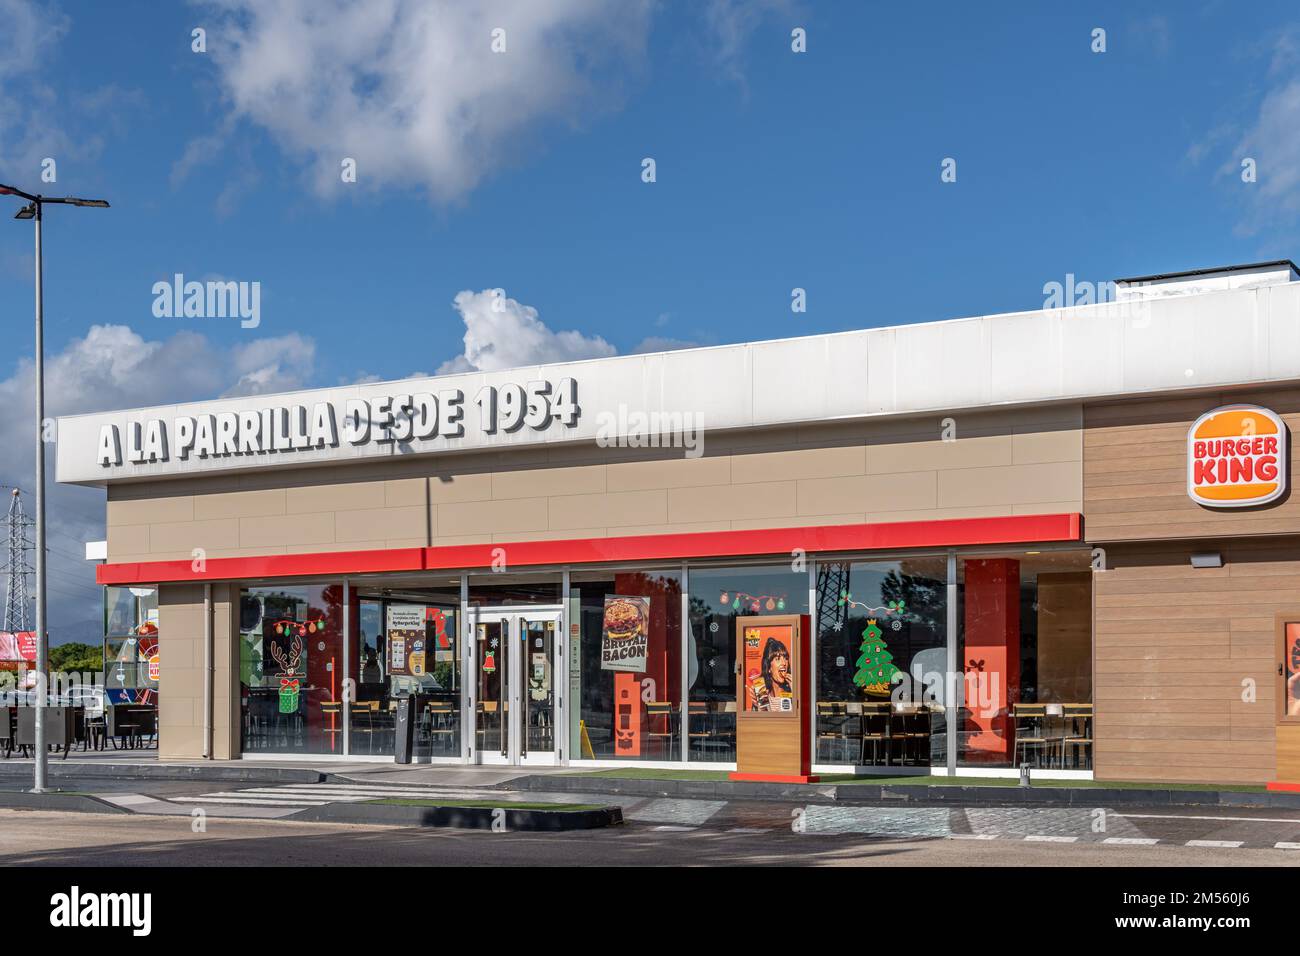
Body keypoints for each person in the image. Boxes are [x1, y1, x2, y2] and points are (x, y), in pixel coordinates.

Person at [752, 637, 793, 711]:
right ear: (769, 668)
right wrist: (757, 705)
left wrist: (796, 693)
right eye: (777, 659)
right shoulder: (762, 691)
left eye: (786, 658)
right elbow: (761, 720)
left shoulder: (791, 691)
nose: (784, 663)